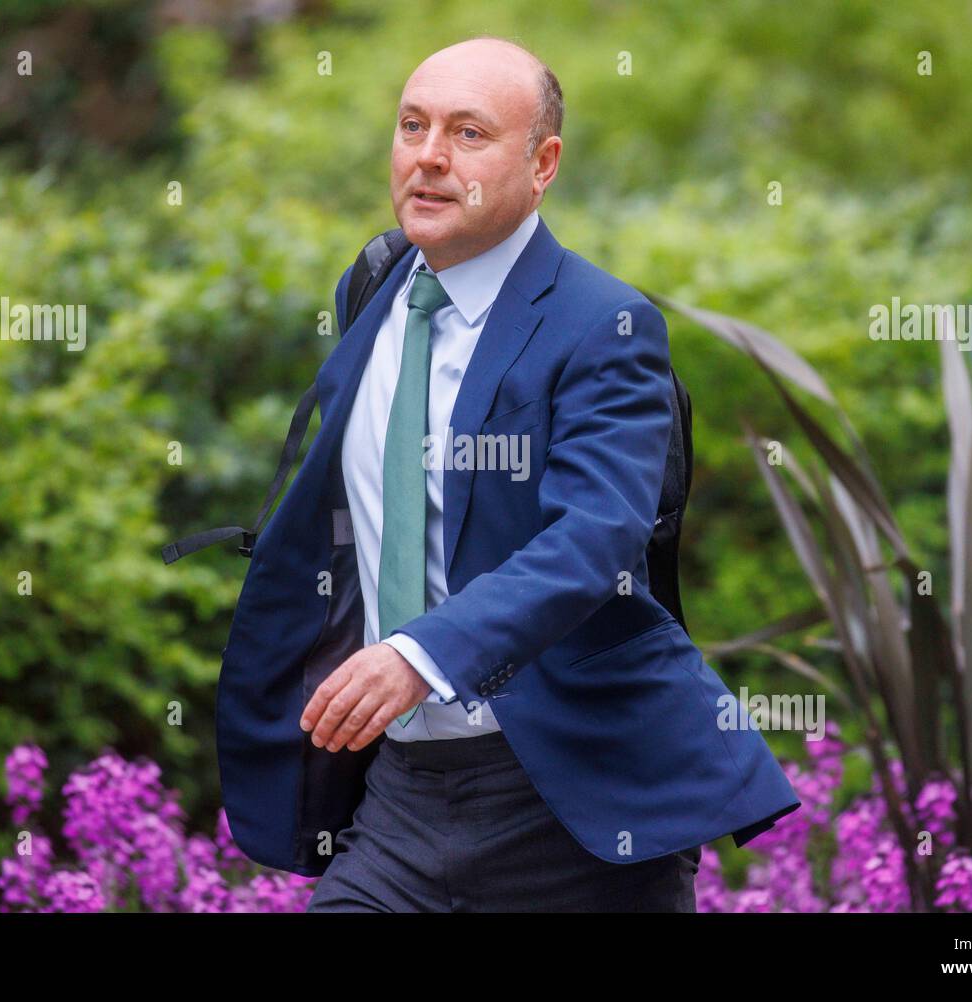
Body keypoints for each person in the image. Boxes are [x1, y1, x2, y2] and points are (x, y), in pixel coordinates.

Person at [216, 35, 801, 912]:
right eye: (412, 126)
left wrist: (423, 653)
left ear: (543, 163)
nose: (430, 156)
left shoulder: (604, 324)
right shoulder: (373, 289)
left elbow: (596, 537)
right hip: (402, 800)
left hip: (576, 805)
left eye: (469, 133)